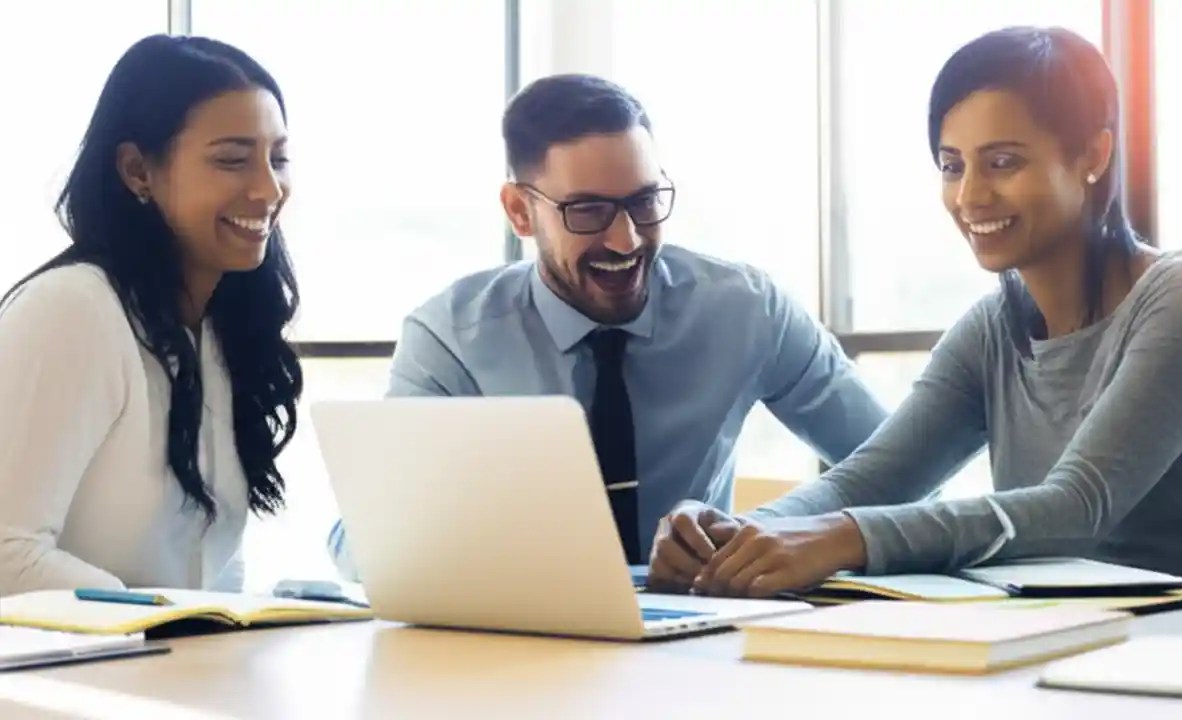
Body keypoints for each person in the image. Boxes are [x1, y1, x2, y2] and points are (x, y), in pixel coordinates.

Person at [652, 26, 1182, 596]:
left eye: (1003, 163)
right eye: (952, 166)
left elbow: (1078, 507)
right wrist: (732, 536)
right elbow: (866, 481)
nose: (970, 195)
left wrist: (846, 537)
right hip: (1073, 632)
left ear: (1093, 155)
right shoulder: (991, 330)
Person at [327, 73, 887, 580]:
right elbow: (360, 541)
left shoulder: (747, 311)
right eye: (588, 211)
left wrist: (751, 533)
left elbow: (895, 469)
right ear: (520, 211)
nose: (627, 240)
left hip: (703, 628)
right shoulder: (450, 340)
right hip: (523, 633)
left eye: (644, 202)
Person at [0, 35, 302, 595]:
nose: (268, 189)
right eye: (233, 160)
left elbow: (212, 570)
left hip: (161, 652)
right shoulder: (72, 309)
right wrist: (165, 620)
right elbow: (6, 554)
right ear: (138, 170)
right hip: (76, 655)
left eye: (278, 159)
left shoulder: (218, 329)